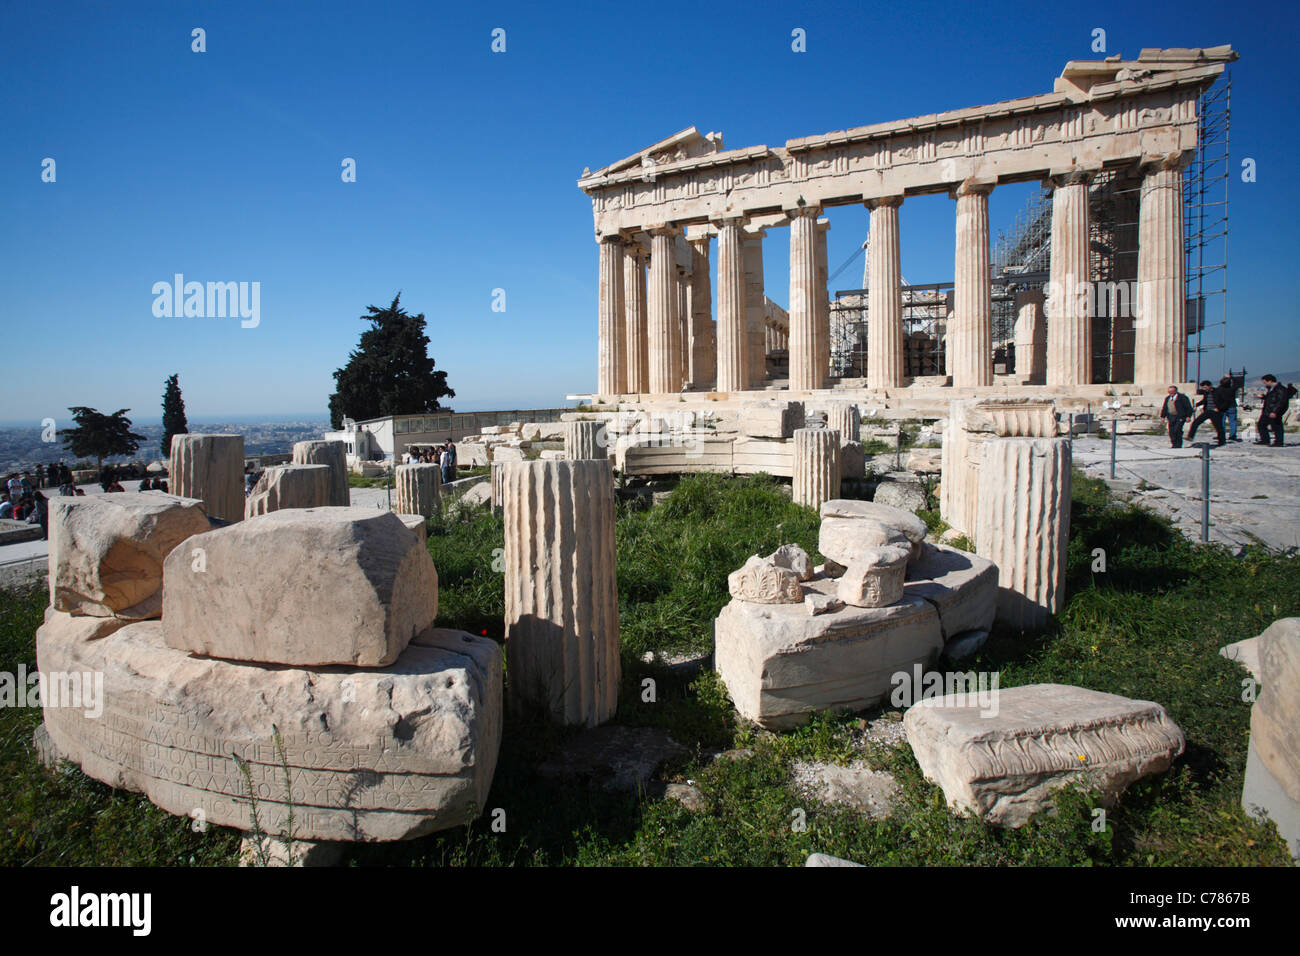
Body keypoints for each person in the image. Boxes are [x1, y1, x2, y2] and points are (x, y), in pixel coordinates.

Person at [1255, 374, 1293, 447]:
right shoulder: (1272, 389)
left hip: (1274, 411)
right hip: (1268, 411)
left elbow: (1281, 401)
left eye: (1265, 382)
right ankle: (1265, 440)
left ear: (1270, 381)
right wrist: (1263, 397)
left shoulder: (1280, 389)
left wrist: (1275, 411)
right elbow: (1272, 399)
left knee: (1277, 426)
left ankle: (1279, 442)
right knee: (1261, 424)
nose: (1264, 384)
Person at [1187, 380, 1225, 446]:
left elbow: (1225, 402)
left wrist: (1219, 408)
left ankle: (1222, 441)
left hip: (1215, 412)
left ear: (1209, 386)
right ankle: (1190, 436)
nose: (1204, 389)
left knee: (1218, 427)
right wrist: (1197, 404)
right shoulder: (1206, 393)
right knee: (1196, 422)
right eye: (1203, 388)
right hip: (1207, 411)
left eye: (1205, 387)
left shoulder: (1218, 391)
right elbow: (1204, 400)